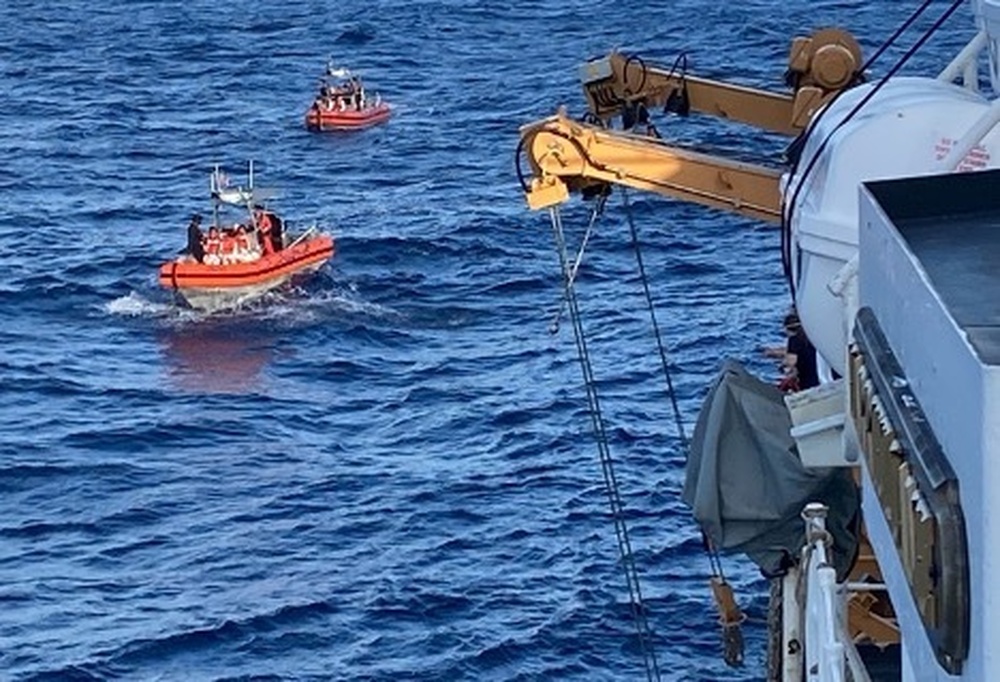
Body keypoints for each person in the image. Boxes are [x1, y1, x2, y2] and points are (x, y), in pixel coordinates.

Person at [764, 311, 819, 392]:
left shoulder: (794, 340)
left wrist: (781, 365)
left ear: (787, 329)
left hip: (808, 383)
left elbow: (790, 363)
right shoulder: (811, 337)